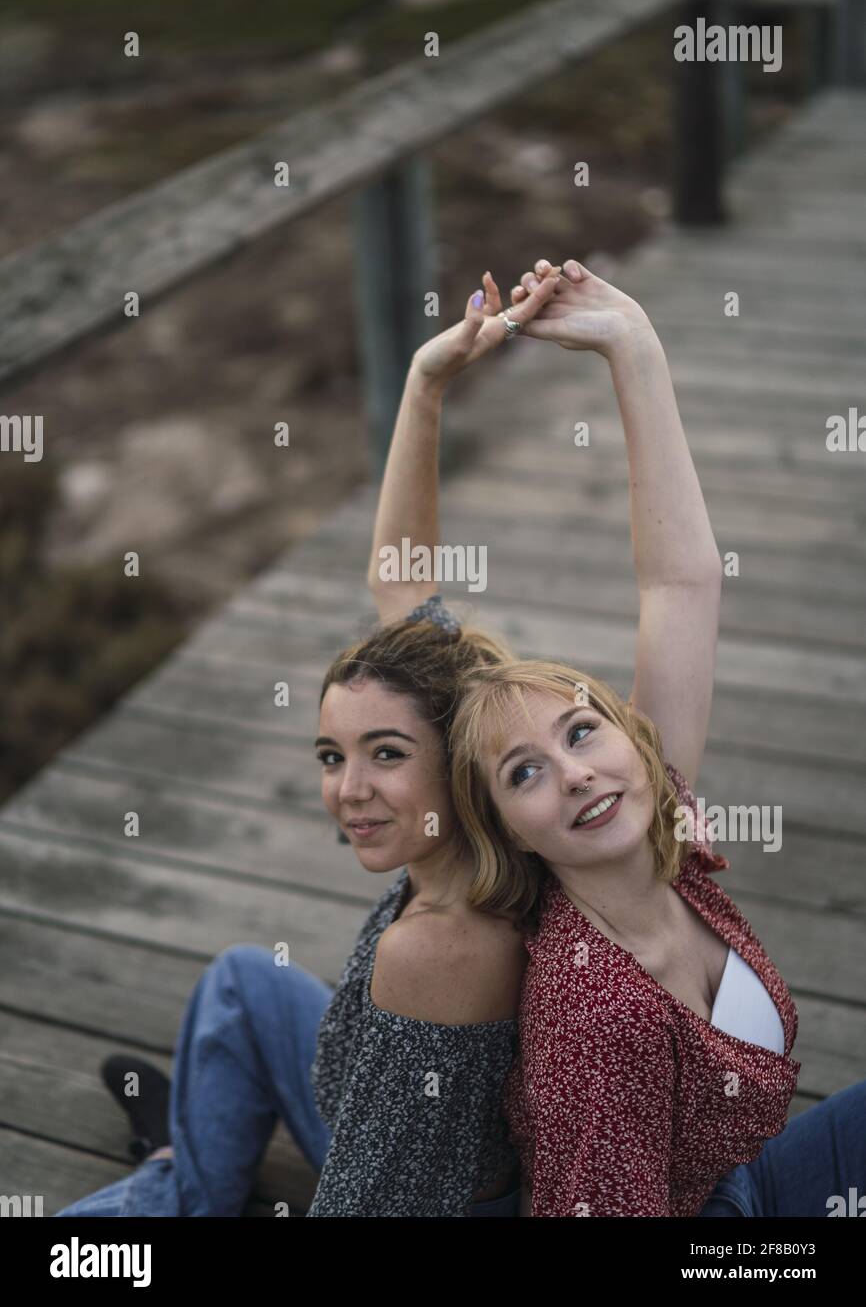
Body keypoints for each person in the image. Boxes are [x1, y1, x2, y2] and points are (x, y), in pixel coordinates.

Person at [54, 261, 563, 1218]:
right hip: (375, 1103)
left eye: (385, 754)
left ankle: (169, 1186)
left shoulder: (443, 953)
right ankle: (186, 1176)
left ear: (456, 761)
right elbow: (403, 577)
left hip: (416, 1187)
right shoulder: (475, 816)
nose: (349, 790)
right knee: (245, 981)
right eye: (333, 756)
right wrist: (425, 381)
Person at [444, 257, 866, 1217]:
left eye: (582, 731)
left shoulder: (653, 820)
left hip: (753, 1175)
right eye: (525, 773)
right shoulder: (600, 1023)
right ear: (511, 830)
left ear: (632, 741)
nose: (577, 773)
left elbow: (681, 583)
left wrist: (631, 345)